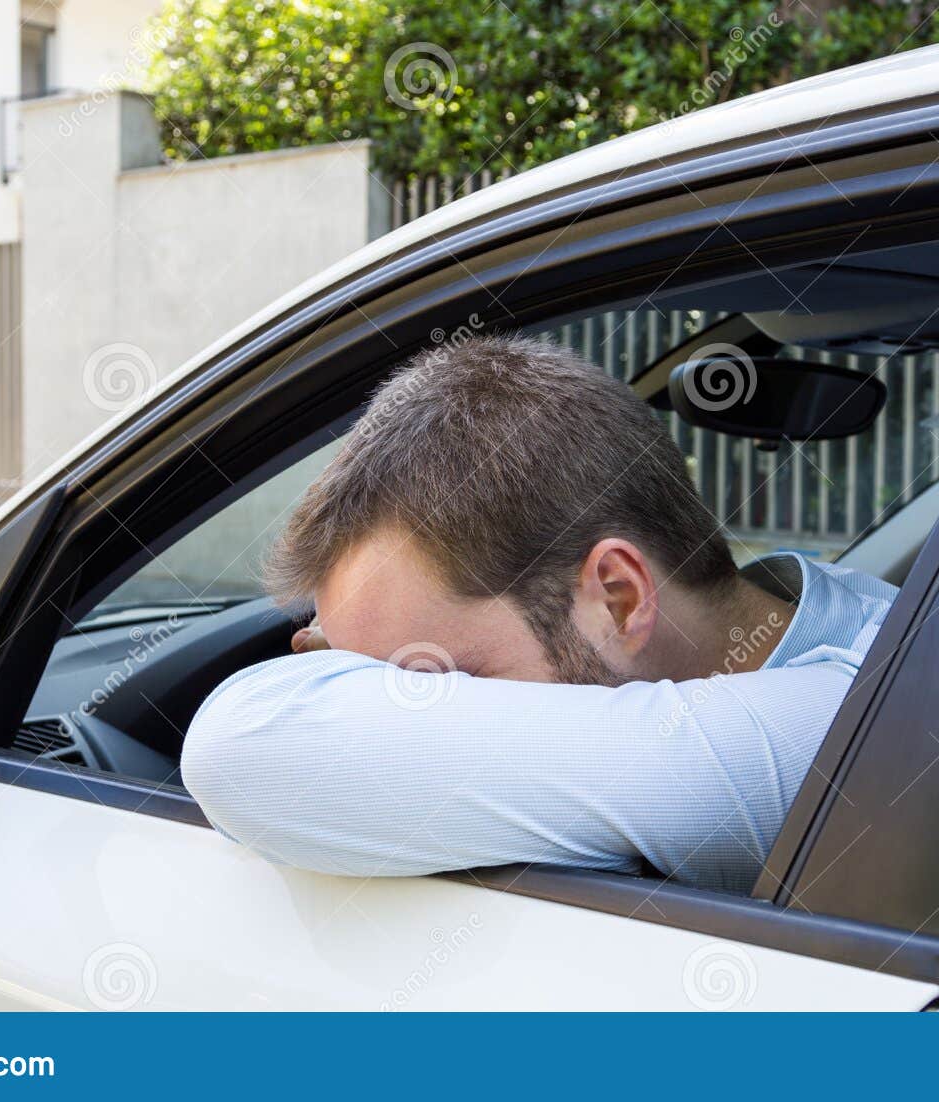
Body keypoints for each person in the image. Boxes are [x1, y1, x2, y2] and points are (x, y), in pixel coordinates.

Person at [181, 334, 896, 893]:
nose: (395, 720)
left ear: (617, 597)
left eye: (426, 686)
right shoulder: (839, 607)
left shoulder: (853, 729)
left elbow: (238, 747)